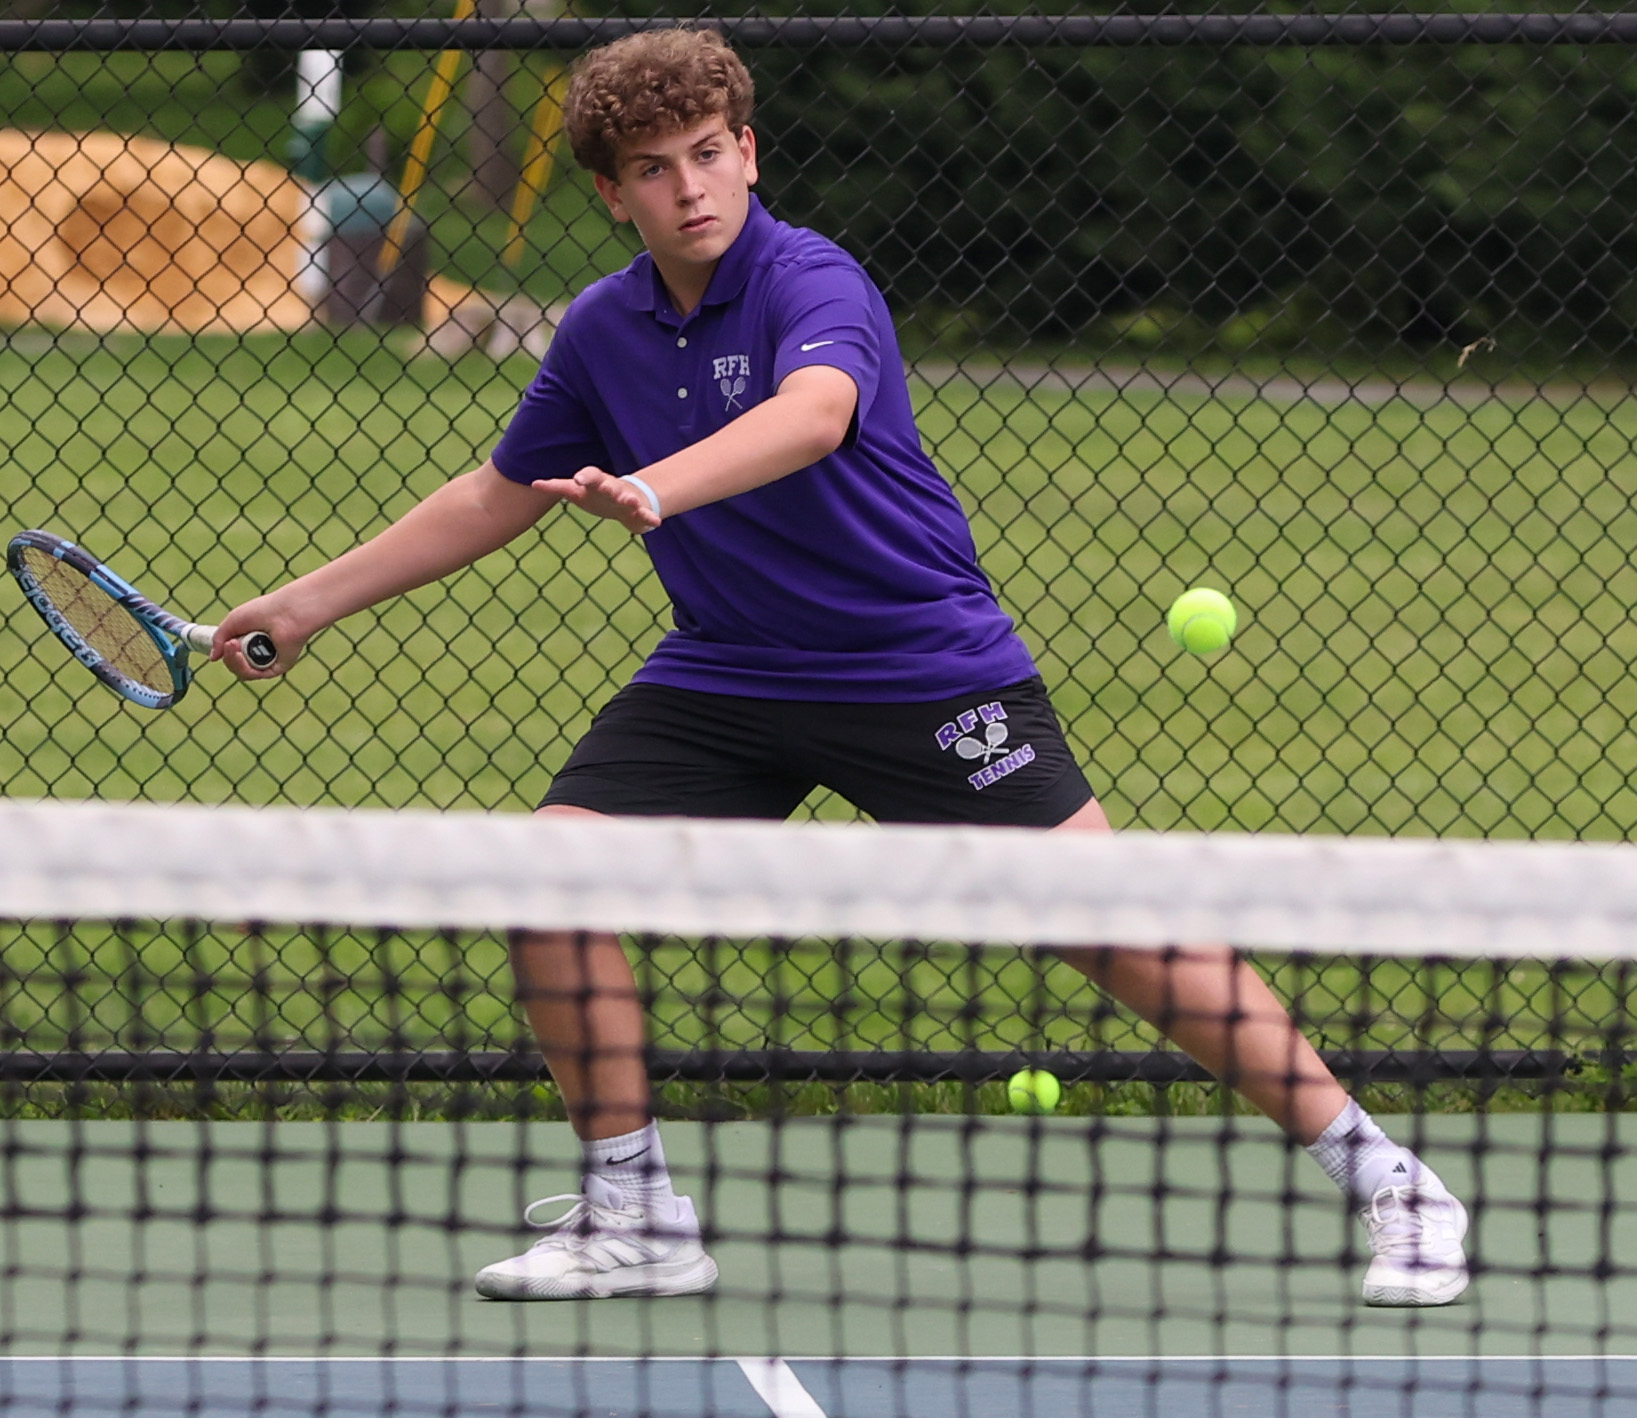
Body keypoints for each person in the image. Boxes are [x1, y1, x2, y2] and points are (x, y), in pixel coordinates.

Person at [215, 26, 1469, 1309]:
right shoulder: (602, 329)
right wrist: (307, 605)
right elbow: (498, 491)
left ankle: (1390, 1178)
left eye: (709, 154)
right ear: (613, 192)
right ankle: (634, 1208)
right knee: (552, 872)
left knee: (1115, 924)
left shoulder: (813, 279)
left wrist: (657, 485)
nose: (690, 187)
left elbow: (814, 416)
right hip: (729, 673)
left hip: (918, 666)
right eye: (654, 168)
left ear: (747, 153)